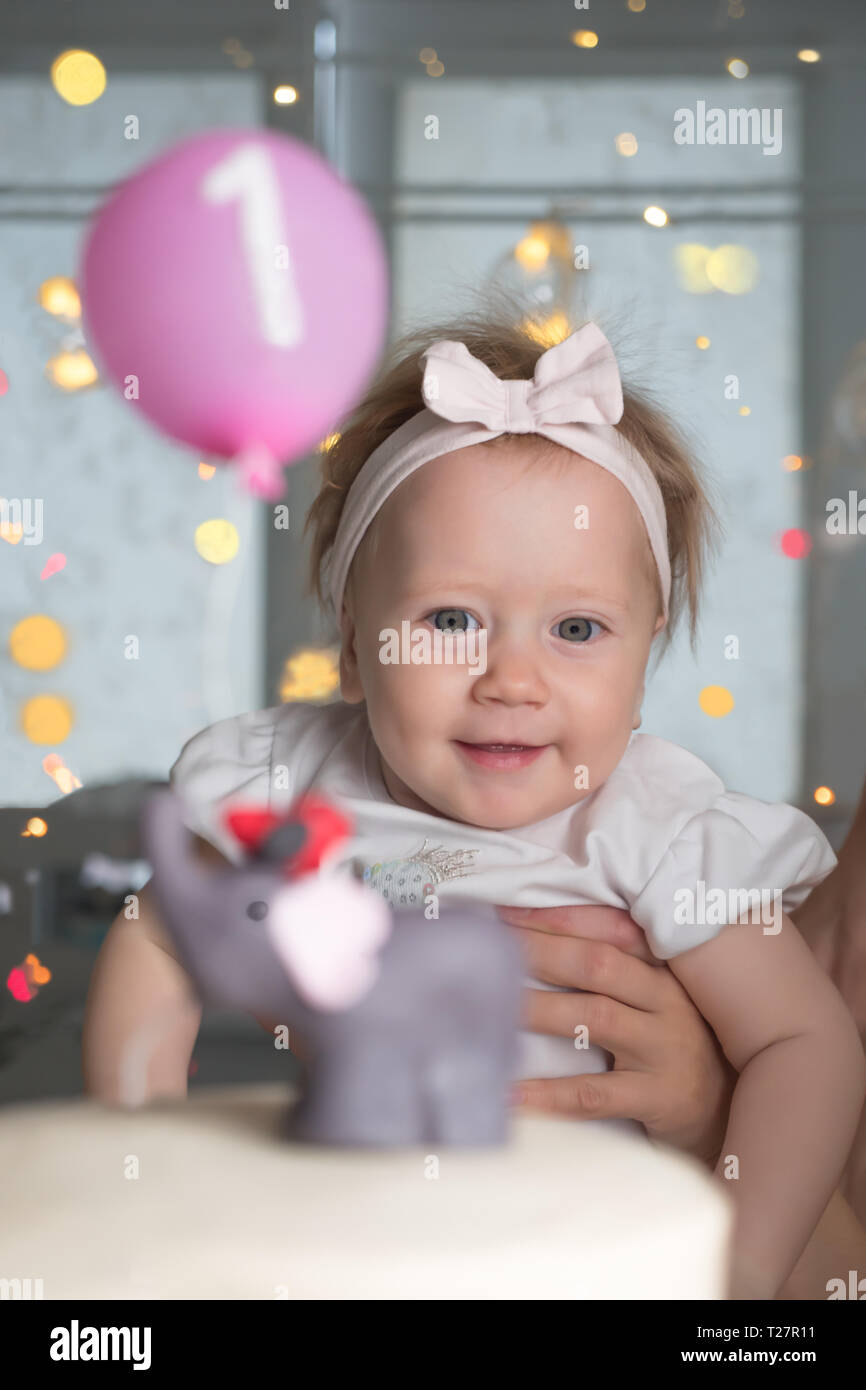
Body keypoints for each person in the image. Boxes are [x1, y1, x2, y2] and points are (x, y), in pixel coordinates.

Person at [83, 311, 866, 1301]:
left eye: (576, 627)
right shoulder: (298, 778)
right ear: (355, 637)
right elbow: (160, 933)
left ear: (648, 646)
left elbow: (804, 1045)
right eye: (449, 619)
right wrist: (136, 1163)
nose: (511, 678)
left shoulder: (653, 829)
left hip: (597, 1257)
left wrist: (738, 1266)